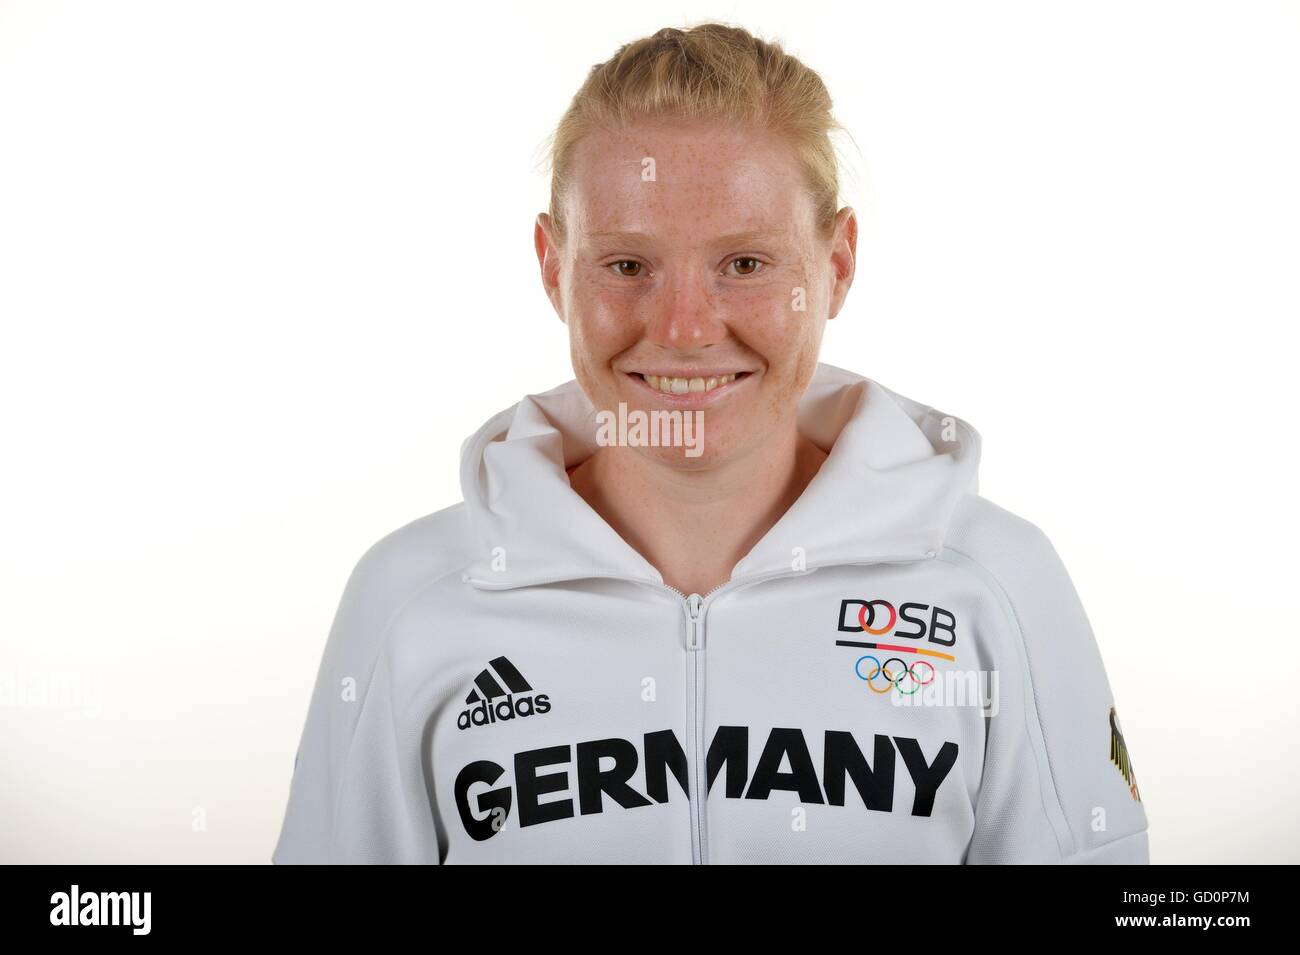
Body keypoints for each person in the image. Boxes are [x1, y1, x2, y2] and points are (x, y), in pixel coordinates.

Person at [272, 22, 1148, 864]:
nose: (686, 329)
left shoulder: (995, 587)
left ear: (835, 266)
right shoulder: (413, 603)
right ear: (553, 267)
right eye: (627, 265)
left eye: (745, 264)